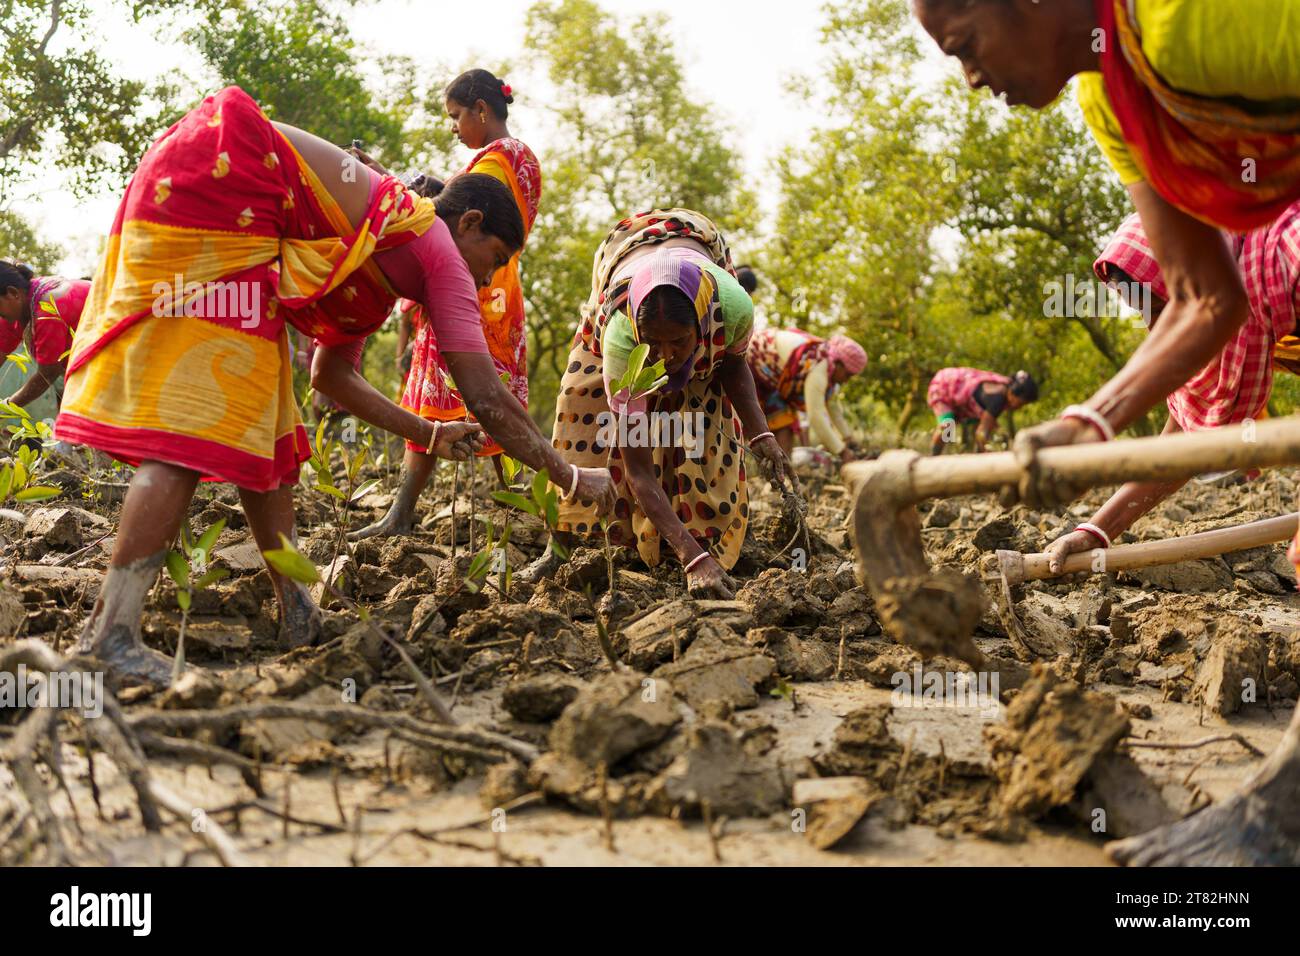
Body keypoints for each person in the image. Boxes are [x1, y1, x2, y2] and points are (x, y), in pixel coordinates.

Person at [53, 86, 612, 687]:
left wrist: (429, 431)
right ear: (469, 223)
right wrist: (573, 476)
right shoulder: (437, 250)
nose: (487, 277)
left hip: (203, 172)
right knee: (195, 421)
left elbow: (330, 376)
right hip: (223, 177)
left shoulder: (380, 247)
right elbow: (487, 395)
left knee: (266, 421)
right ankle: (110, 632)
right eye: (494, 256)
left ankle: (296, 609)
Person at [913, 0, 1300, 866]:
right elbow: (1206, 299)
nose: (970, 79)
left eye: (965, 45)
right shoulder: (1110, 99)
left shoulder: (1180, 24)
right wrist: (1091, 424)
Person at [518, 209, 796, 599]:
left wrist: (761, 433)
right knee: (582, 413)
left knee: (698, 430)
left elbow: (733, 368)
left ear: (701, 325)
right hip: (622, 259)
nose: (665, 355)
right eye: (653, 342)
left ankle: (704, 540)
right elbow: (638, 471)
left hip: (696, 247)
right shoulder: (620, 337)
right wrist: (691, 560)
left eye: (678, 342)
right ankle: (560, 546)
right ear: (637, 331)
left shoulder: (733, 308)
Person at [1044, 205, 1300, 571]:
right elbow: (1181, 447)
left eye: (1165, 307)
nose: (1157, 329)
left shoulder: (1288, 248)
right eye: (1145, 313)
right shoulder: (1236, 299)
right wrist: (1094, 532)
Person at [354, 69, 542, 538]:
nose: (453, 126)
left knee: (488, 404)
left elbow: (458, 224)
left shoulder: (496, 160)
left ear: (482, 110)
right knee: (449, 401)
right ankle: (523, 517)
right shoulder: (519, 159)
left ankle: (531, 517)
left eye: (456, 116)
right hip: (493, 297)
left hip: (475, 293)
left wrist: (384, 180)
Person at [746, 327, 868, 464]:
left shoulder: (830, 371)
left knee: (784, 422)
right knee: (756, 423)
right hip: (754, 363)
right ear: (838, 364)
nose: (846, 380)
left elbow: (834, 408)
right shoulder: (819, 366)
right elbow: (816, 416)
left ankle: (780, 476)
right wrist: (842, 451)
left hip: (776, 379)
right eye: (848, 375)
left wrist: (848, 438)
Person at [0, 261, 89, 409]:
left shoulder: (48, 309)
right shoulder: (17, 305)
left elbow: (47, 373)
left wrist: (6, 408)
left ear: (13, 293)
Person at [926, 367, 1038, 455]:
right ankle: (933, 458)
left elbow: (984, 426)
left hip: (956, 391)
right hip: (944, 387)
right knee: (948, 429)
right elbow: (981, 433)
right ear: (1012, 394)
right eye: (1020, 403)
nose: (1019, 407)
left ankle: (941, 455)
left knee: (950, 431)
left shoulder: (1002, 389)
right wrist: (985, 450)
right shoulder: (998, 399)